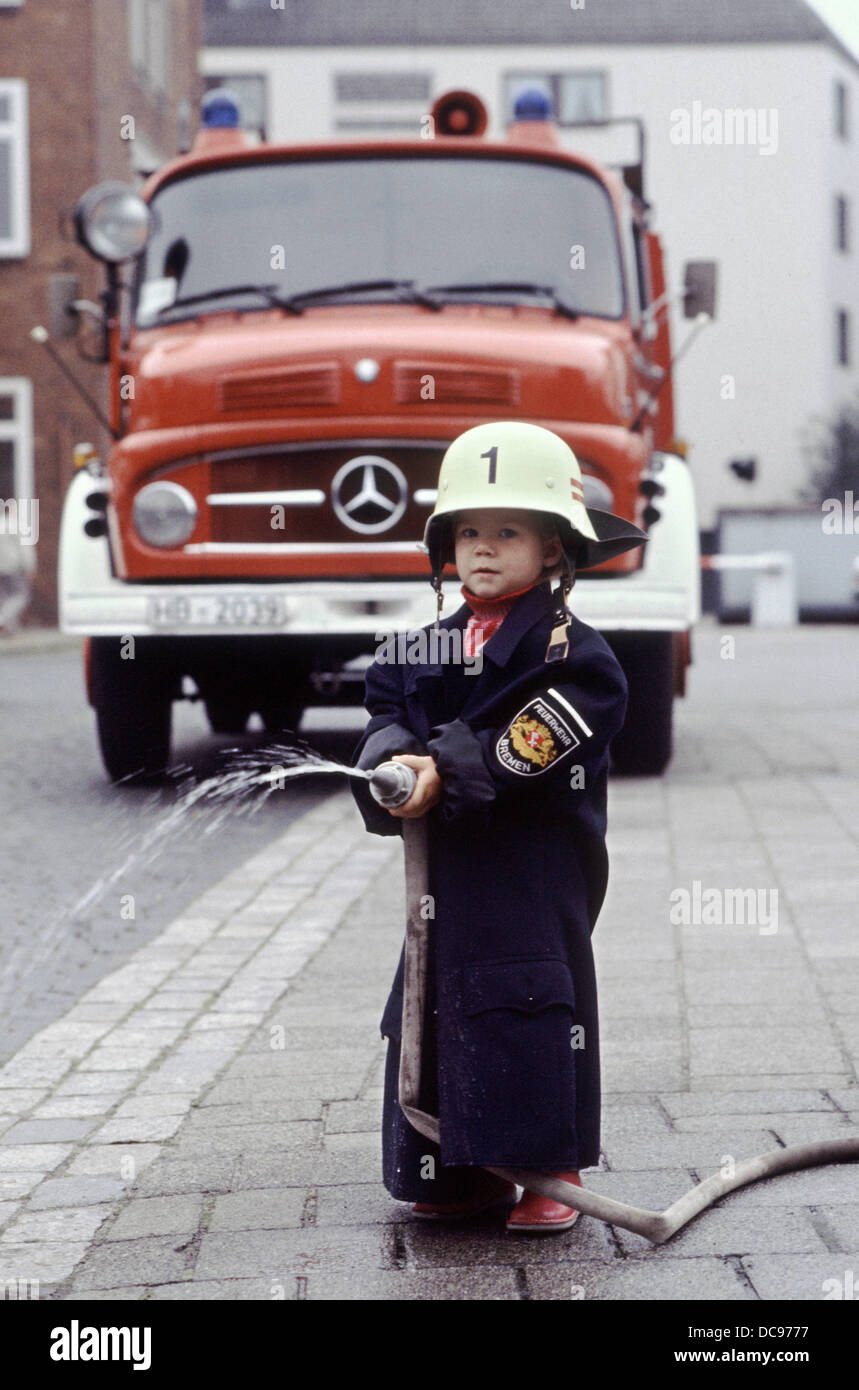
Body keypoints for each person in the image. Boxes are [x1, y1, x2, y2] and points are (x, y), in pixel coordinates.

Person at [351, 421, 646, 1232]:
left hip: (531, 862)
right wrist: (394, 761)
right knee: (432, 994)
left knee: (525, 999)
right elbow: (385, 711)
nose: (481, 549)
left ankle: (551, 1169)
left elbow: (534, 742)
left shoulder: (574, 657)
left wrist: (448, 764)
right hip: (445, 870)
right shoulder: (419, 648)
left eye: (507, 532)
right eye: (467, 532)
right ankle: (451, 1170)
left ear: (554, 550)